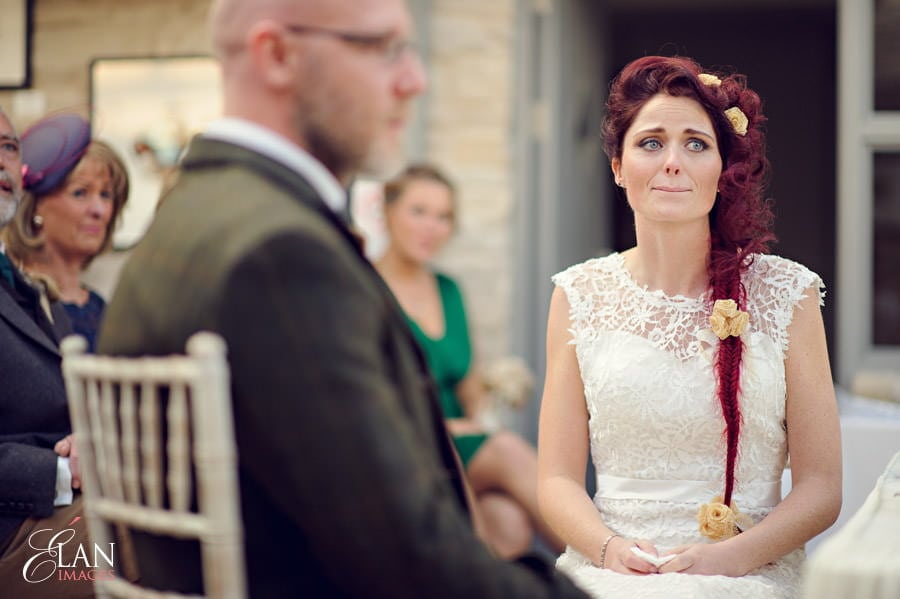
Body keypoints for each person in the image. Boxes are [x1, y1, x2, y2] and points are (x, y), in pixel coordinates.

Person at [98, 1, 586, 597]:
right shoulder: (281, 255)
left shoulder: (193, 213)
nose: (415, 80)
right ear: (277, 54)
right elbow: (412, 565)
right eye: (383, 49)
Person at [537, 56, 842, 598]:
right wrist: (609, 551)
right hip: (610, 570)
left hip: (748, 572)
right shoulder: (577, 295)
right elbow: (557, 479)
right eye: (651, 142)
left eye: (696, 144)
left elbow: (821, 487)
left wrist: (728, 560)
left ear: (722, 167)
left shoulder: (789, 295)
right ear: (617, 165)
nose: (672, 161)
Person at [375, 162, 565, 558]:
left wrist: (489, 400)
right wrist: (445, 425)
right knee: (509, 452)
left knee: (508, 525)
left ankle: (601, 571)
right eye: (419, 211)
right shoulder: (367, 287)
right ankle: (607, 566)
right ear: (388, 211)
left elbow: (467, 385)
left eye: (444, 217)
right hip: (407, 444)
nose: (432, 227)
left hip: (458, 445)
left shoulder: (449, 290)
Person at [0, 108, 95, 598]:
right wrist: (61, 470)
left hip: (68, 509)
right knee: (162, 541)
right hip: (15, 539)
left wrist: (88, 439)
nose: (1, 160)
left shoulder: (32, 290)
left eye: (9, 147)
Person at [3, 113, 130, 353]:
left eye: (106, 195)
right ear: (35, 206)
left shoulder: (101, 308)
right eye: (80, 193)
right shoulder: (18, 303)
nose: (99, 210)